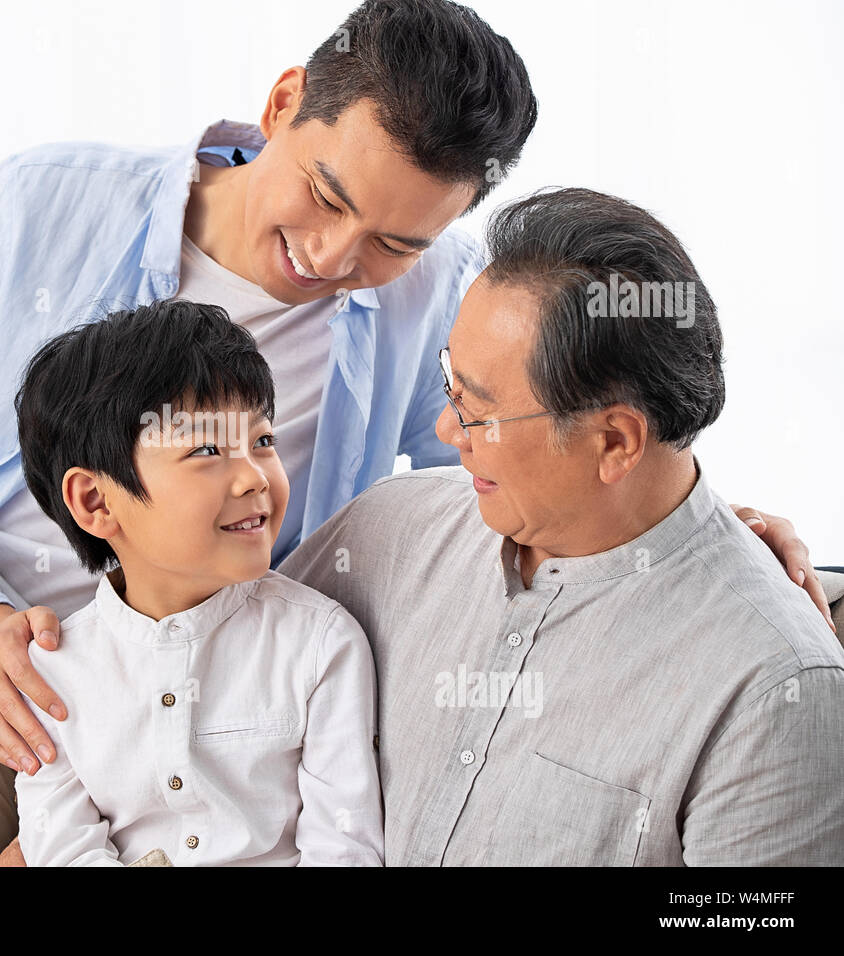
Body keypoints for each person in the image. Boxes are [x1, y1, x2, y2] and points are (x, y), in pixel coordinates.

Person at [0, 0, 822, 866]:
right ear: (281, 103)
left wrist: (705, 515)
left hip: (21, 700)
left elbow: (516, 461)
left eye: (394, 240)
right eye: (326, 198)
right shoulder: (53, 200)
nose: (335, 258)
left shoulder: (437, 296)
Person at [274, 188, 844, 864]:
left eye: (479, 410)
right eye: (451, 384)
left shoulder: (776, 693)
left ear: (615, 443)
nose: (444, 428)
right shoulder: (389, 530)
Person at [10, 300, 382, 866]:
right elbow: (61, 850)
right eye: (207, 450)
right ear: (95, 501)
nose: (254, 476)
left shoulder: (321, 644)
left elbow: (345, 846)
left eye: (262, 440)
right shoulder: (53, 674)